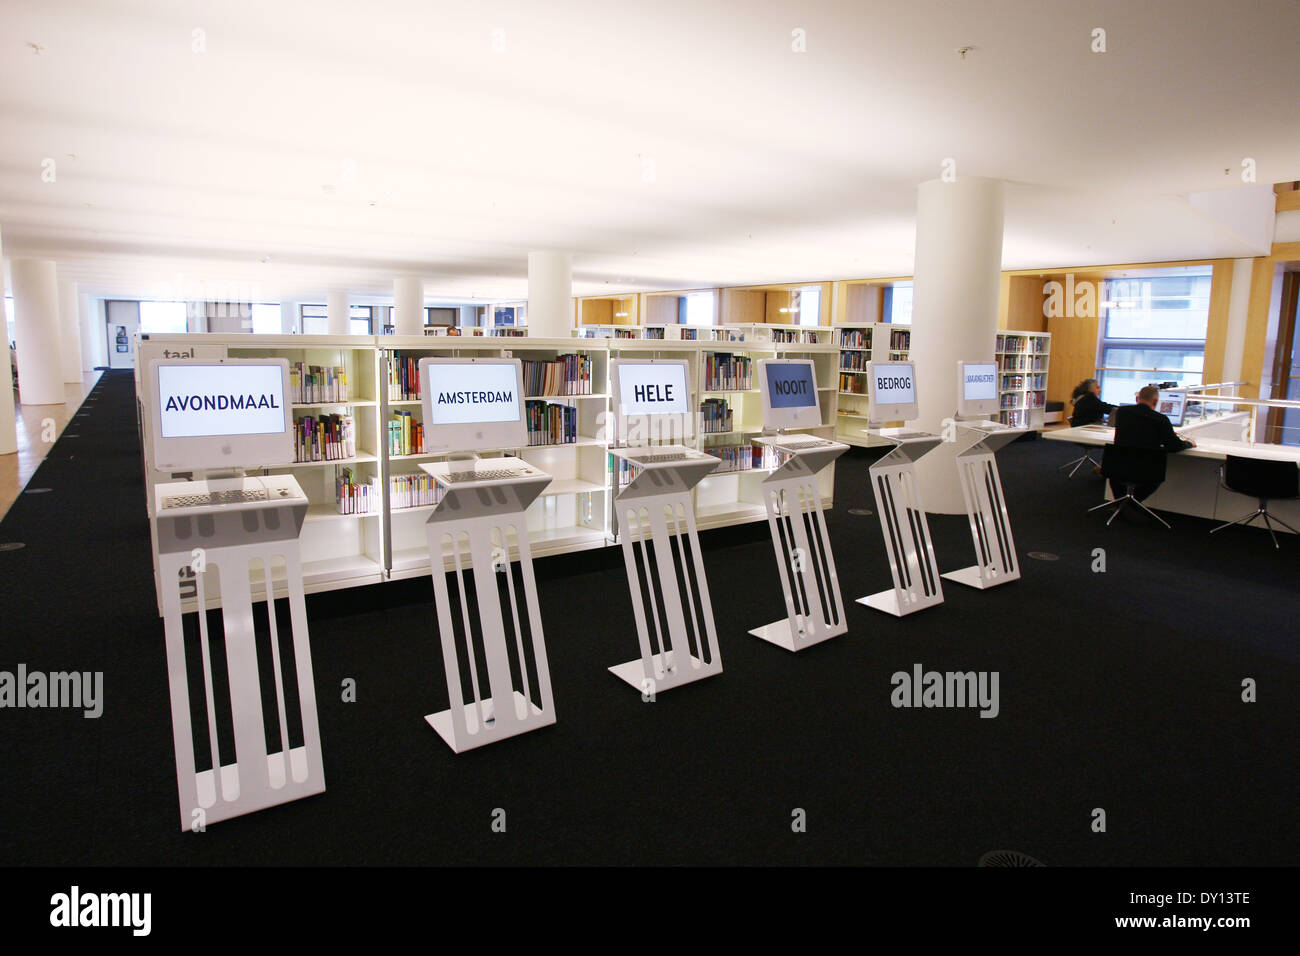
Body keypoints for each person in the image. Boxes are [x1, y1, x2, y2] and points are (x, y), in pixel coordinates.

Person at [1110, 385, 1195, 502]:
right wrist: (1188, 443)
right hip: (1145, 470)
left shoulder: (1121, 412)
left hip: (1116, 467)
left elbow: (1136, 431)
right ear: (1155, 402)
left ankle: (1123, 503)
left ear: (1137, 399)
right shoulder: (1161, 419)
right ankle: (1131, 503)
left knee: (1119, 476)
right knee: (1155, 477)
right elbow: (1174, 446)